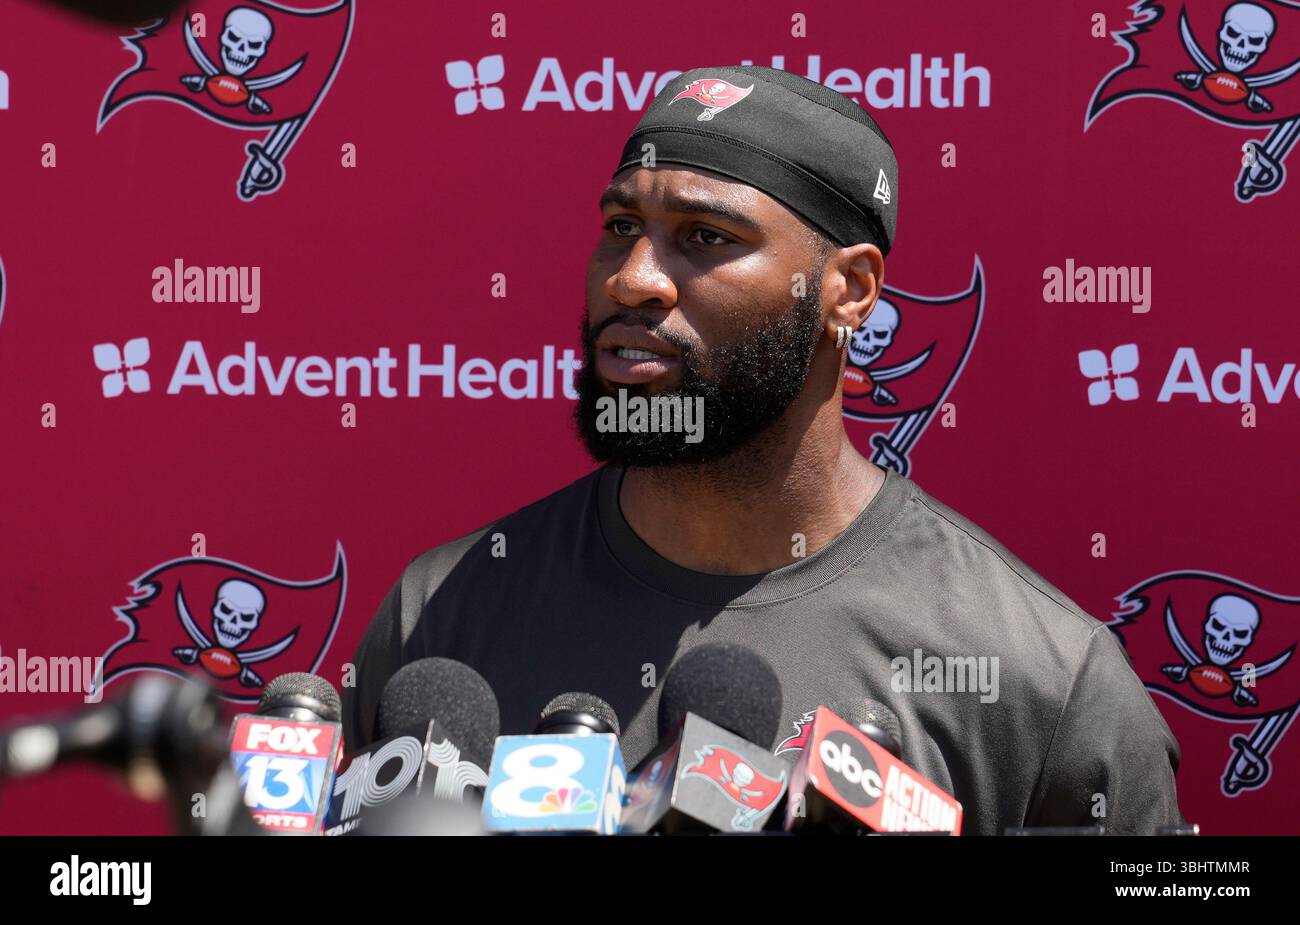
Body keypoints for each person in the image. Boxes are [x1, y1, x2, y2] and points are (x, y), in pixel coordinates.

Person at [342, 65, 1183, 835]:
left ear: (847, 291)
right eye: (621, 223)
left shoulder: (1045, 680)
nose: (634, 277)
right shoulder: (441, 614)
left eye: (706, 236)